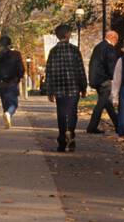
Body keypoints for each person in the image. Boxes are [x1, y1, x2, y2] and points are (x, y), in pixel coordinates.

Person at [45, 23, 87, 152]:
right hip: (73, 87)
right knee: (72, 112)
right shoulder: (74, 50)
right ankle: (71, 133)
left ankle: (62, 139)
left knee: (61, 113)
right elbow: (80, 70)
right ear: (67, 34)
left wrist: (50, 90)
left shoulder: (53, 51)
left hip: (59, 88)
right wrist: (83, 86)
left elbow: (49, 72)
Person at [85, 29, 120, 134]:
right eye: (117, 39)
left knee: (107, 103)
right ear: (113, 38)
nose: (117, 42)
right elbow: (111, 66)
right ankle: (91, 127)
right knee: (101, 104)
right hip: (104, 80)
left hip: (96, 78)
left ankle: (118, 125)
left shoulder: (98, 46)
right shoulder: (109, 48)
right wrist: (114, 78)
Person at [0, 35, 25, 128]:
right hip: (13, 81)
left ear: (0, 44)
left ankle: (7, 120)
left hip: (1, 83)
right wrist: (20, 77)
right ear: (10, 44)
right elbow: (21, 68)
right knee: (14, 104)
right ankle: (8, 114)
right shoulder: (16, 54)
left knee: (5, 102)